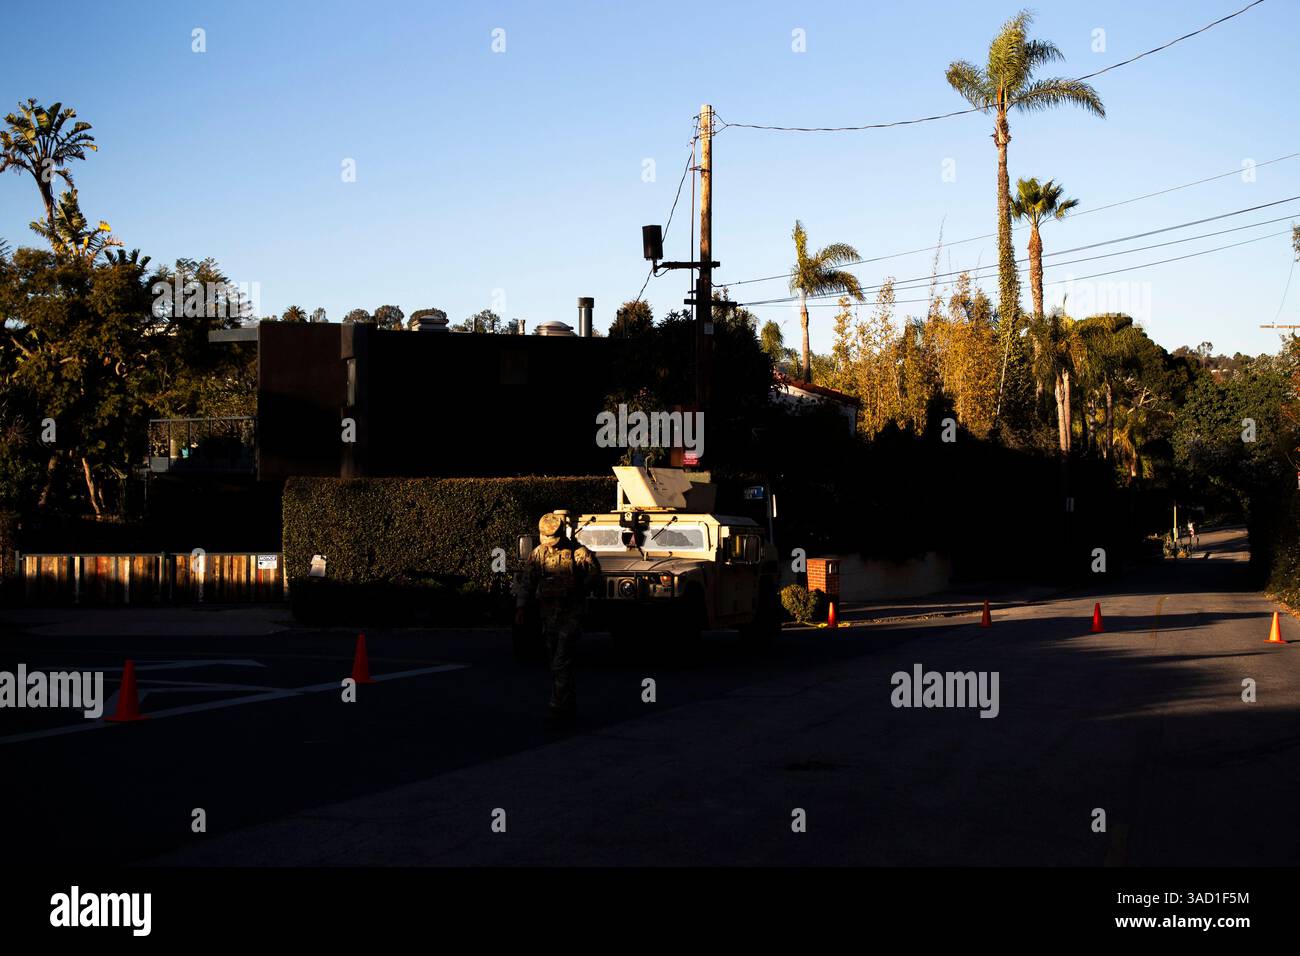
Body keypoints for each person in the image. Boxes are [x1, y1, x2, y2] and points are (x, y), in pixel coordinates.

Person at [517, 512, 600, 725]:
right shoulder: (538, 554)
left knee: (561, 660)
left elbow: (594, 575)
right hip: (548, 615)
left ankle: (558, 708)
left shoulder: (577, 553)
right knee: (556, 661)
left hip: (570, 613)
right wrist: (521, 607)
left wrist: (578, 589)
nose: (550, 545)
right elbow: (527, 582)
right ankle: (567, 703)